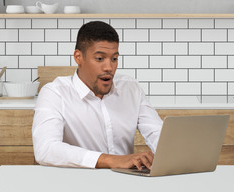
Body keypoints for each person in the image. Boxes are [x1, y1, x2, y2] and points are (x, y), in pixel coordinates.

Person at [32, 21, 163, 171]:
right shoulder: (55, 93)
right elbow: (46, 149)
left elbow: (157, 134)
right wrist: (113, 160)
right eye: (100, 59)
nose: (109, 67)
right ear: (78, 57)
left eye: (114, 59)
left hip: (126, 181)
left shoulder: (131, 88)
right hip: (76, 182)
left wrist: (171, 154)